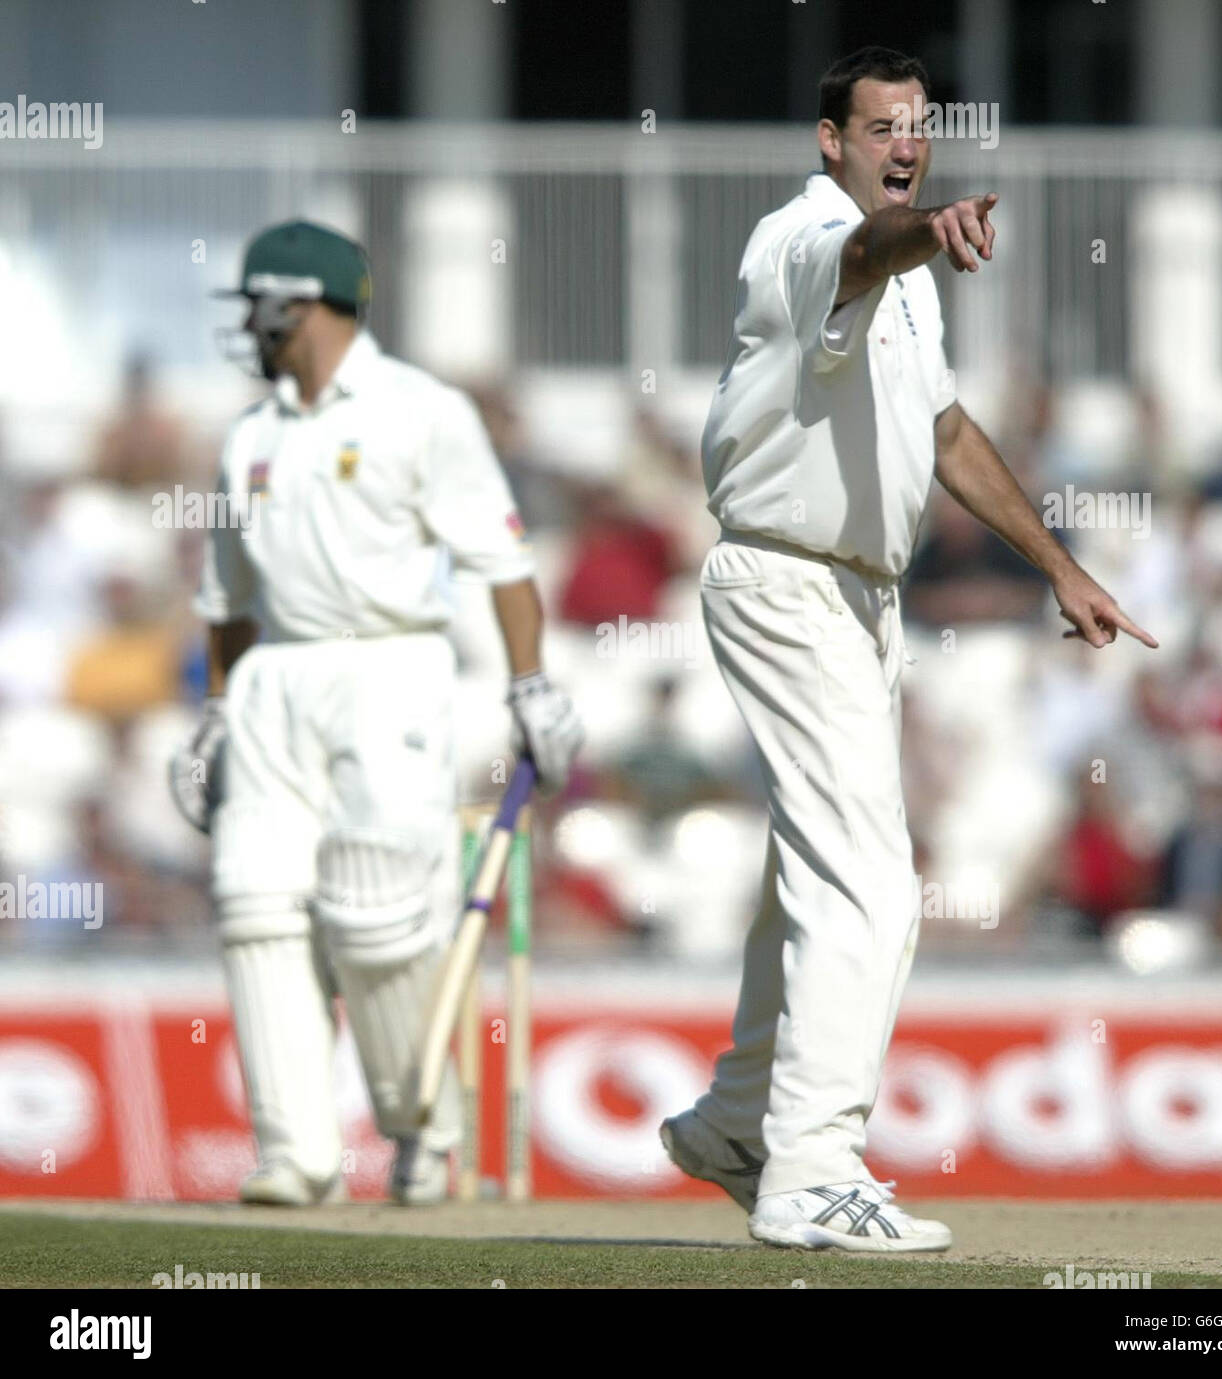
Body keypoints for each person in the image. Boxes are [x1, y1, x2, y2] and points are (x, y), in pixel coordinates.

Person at [660, 46, 1157, 1252]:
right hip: (785, 574)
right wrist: (925, 229)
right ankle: (809, 1169)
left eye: (917, 125)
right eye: (878, 126)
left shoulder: (912, 272)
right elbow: (860, 256)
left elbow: (943, 430)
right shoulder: (804, 237)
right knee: (871, 880)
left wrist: (1059, 564)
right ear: (830, 139)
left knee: (816, 868)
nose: (902, 142)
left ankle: (738, 1122)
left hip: (858, 597)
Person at [169, 221, 582, 1206]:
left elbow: (501, 558)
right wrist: (218, 713)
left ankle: (421, 1130)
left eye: (256, 305)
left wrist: (529, 684)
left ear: (297, 303)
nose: (248, 326)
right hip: (274, 678)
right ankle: (294, 1150)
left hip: (390, 666)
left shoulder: (421, 410)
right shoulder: (250, 433)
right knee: (255, 897)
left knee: (378, 909)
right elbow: (227, 602)